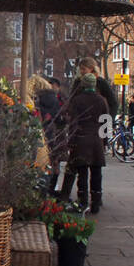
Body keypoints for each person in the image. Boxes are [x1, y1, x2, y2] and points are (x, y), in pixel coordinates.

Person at [57, 72, 106, 214]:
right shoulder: (101, 100)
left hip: (81, 140)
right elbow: (106, 121)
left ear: (83, 85)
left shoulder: (77, 100)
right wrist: (104, 141)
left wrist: (71, 141)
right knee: (96, 173)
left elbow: (73, 122)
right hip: (96, 141)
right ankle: (96, 202)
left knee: (82, 172)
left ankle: (83, 202)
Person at [26, 74, 63, 193]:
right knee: (53, 162)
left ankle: (41, 189)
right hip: (52, 133)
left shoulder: (35, 99)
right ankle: (50, 188)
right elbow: (58, 117)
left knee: (39, 162)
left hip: (41, 133)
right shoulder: (54, 97)